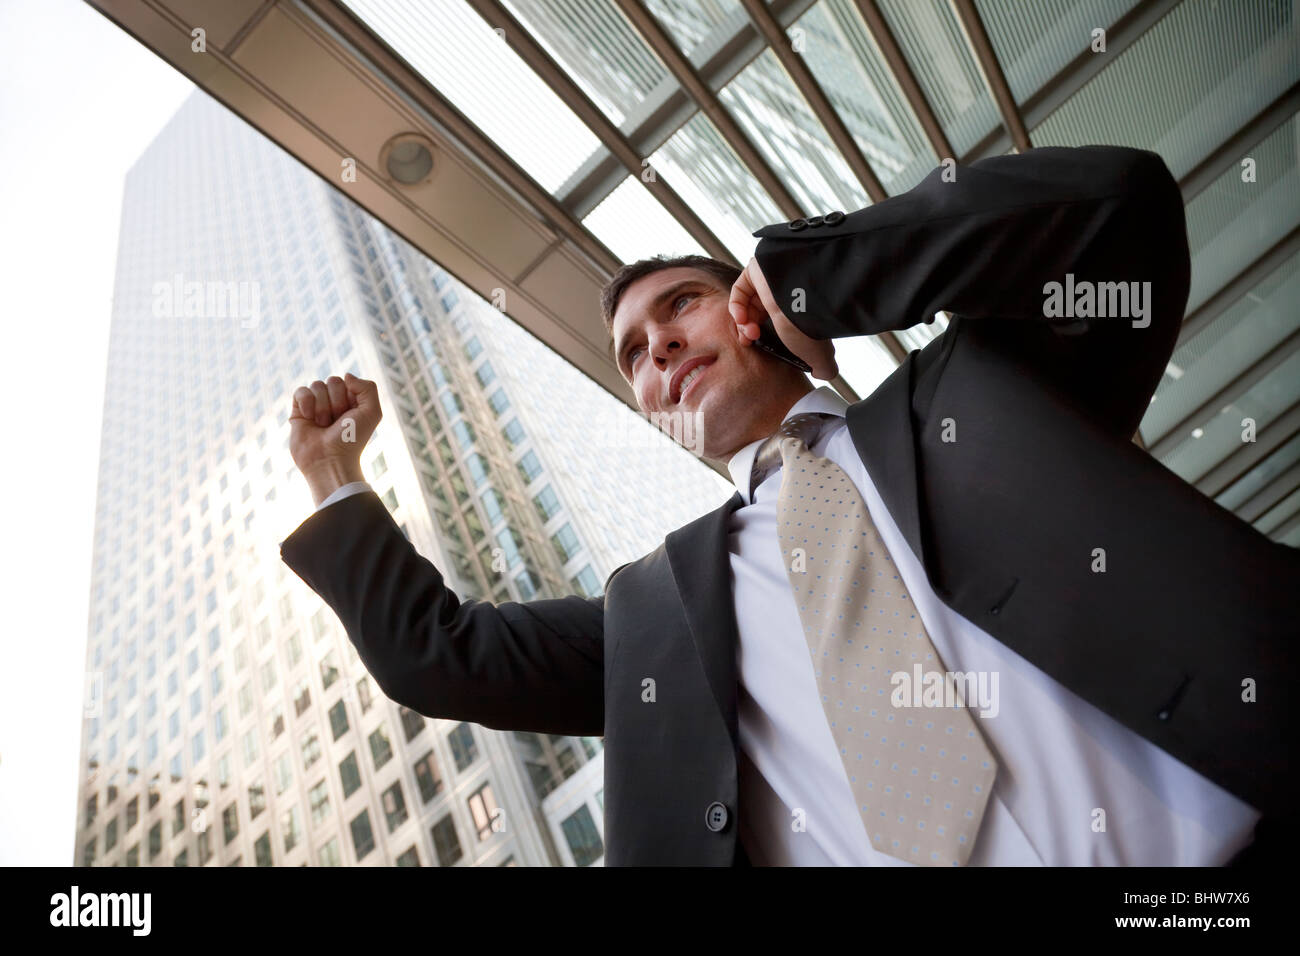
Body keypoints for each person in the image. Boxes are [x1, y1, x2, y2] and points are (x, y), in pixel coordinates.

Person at [280, 144, 1297, 866]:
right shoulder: (655, 617)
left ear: (750, 311)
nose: (657, 347)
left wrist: (816, 275)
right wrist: (337, 479)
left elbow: (1116, 210)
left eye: (677, 305)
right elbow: (440, 654)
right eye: (631, 352)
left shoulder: (976, 395)